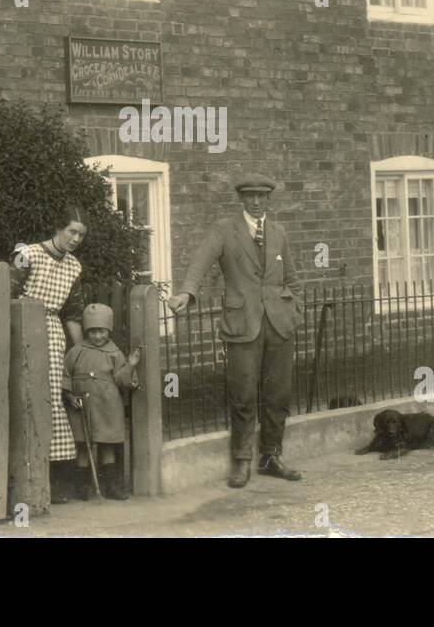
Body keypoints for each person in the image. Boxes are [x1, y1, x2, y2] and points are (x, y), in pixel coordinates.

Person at [168, 173, 304, 488]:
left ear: (269, 199)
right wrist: (187, 293)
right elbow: (200, 262)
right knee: (242, 395)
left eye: (261, 196)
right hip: (242, 325)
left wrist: (295, 309)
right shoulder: (224, 230)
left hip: (279, 325)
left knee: (278, 394)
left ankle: (271, 457)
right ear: (241, 199)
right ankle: (242, 461)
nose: (256, 202)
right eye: (250, 196)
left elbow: (293, 277)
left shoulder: (279, 231)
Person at [9, 207, 88, 504]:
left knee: (52, 400)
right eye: (72, 232)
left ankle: (54, 481)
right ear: (58, 228)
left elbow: (73, 313)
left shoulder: (74, 266)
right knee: (27, 396)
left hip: (53, 332)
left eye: (81, 235)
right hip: (23, 327)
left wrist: (79, 353)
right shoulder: (26, 253)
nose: (76, 239)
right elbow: (7, 295)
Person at [62, 303, 141, 501]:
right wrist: (69, 395)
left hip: (107, 406)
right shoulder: (76, 352)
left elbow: (123, 381)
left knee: (107, 446)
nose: (97, 336)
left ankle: (111, 486)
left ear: (109, 330)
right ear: (87, 331)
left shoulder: (115, 354)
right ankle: (82, 487)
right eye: (93, 331)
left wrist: (130, 365)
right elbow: (65, 376)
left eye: (102, 331)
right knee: (82, 446)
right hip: (82, 408)